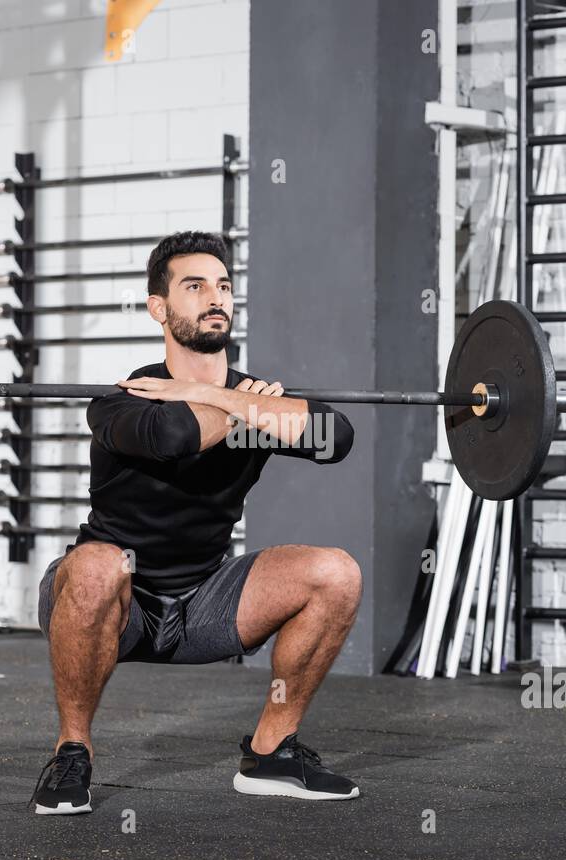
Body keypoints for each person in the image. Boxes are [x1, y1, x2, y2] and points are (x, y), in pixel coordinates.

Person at [32, 231, 363, 814]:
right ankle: (71, 753)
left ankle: (271, 753)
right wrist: (245, 406)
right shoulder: (124, 399)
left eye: (224, 286)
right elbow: (174, 437)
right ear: (158, 307)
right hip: (113, 599)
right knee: (98, 564)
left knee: (336, 573)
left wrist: (226, 398)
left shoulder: (249, 399)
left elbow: (336, 437)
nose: (216, 297)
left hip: (205, 602)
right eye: (194, 286)